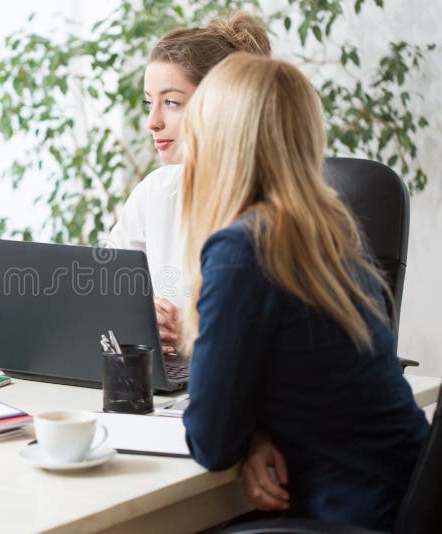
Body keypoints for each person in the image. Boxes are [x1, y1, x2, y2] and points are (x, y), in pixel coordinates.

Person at [177, 53, 429, 530]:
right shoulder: (333, 234)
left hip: (350, 516)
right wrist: (255, 435)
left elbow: (210, 443)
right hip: (397, 498)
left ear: (219, 144)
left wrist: (242, 436)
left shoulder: (242, 250)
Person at [108, 13, 270, 354]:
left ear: (222, 105)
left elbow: (280, 334)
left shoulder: (273, 205)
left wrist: (197, 330)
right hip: (167, 383)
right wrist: (138, 315)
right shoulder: (156, 191)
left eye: (171, 103)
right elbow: (106, 289)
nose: (153, 122)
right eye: (149, 103)